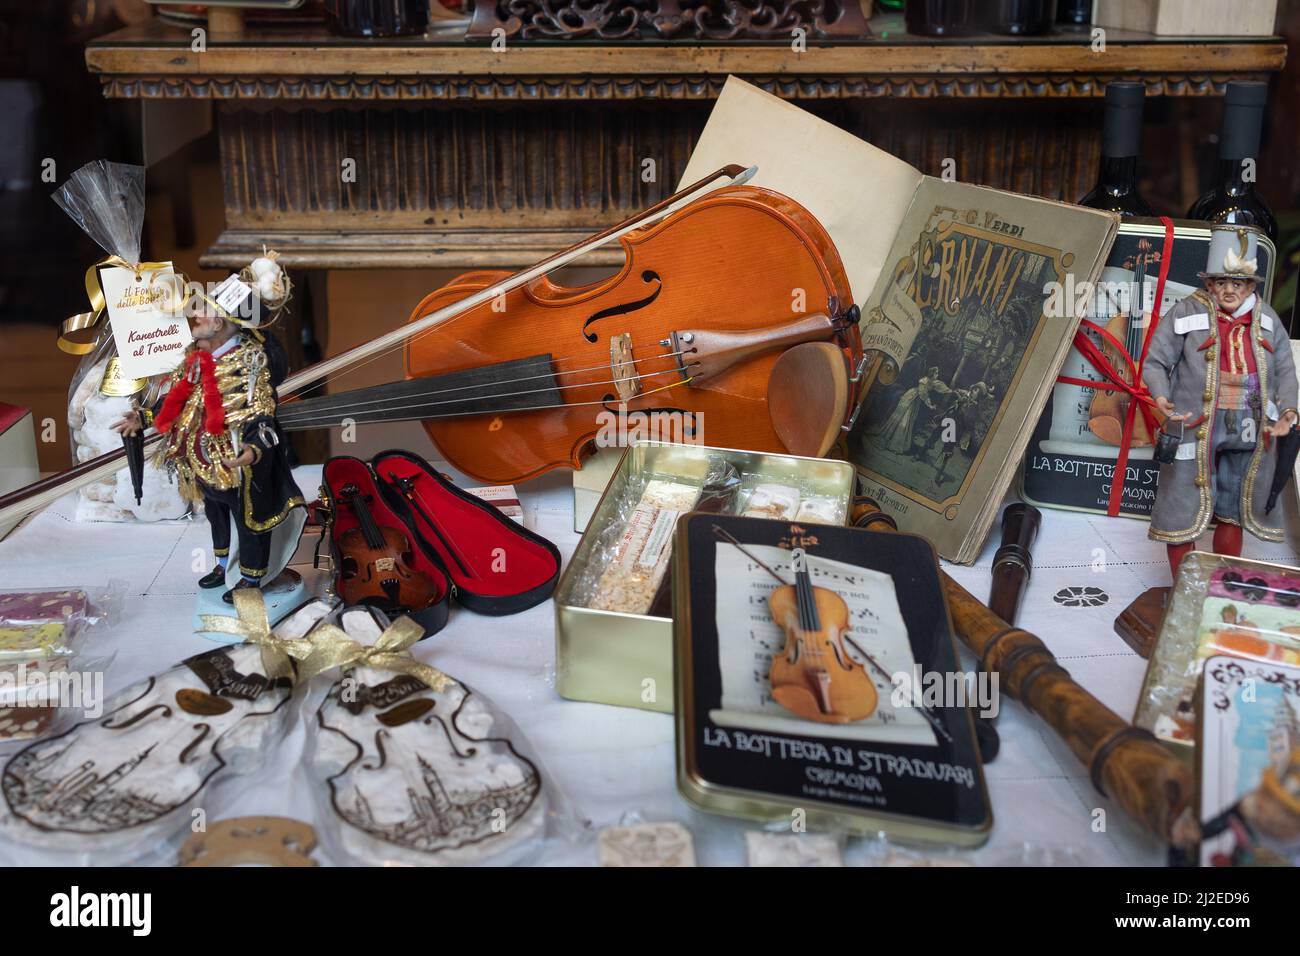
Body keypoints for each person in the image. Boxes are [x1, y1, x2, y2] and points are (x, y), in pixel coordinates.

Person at [114, 276, 304, 603]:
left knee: (249, 521)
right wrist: (144, 418)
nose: (195, 319)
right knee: (215, 513)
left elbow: (263, 414)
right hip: (200, 459)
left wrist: (253, 450)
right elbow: (177, 397)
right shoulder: (196, 356)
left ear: (217, 321)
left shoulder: (249, 362)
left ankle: (250, 578)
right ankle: (221, 564)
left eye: (201, 313)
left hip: (235, 462)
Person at [1142, 225, 1298, 579]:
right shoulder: (1185, 311)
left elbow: (1286, 370)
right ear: (1209, 284)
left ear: (1251, 286)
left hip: (1249, 425)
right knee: (1181, 501)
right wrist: (1161, 396)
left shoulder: (1268, 319)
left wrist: (1288, 410)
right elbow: (1154, 361)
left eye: (1237, 283)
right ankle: (1184, 583)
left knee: (1236, 501)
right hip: (1196, 423)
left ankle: (1225, 579)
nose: (1229, 290)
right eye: (1220, 282)